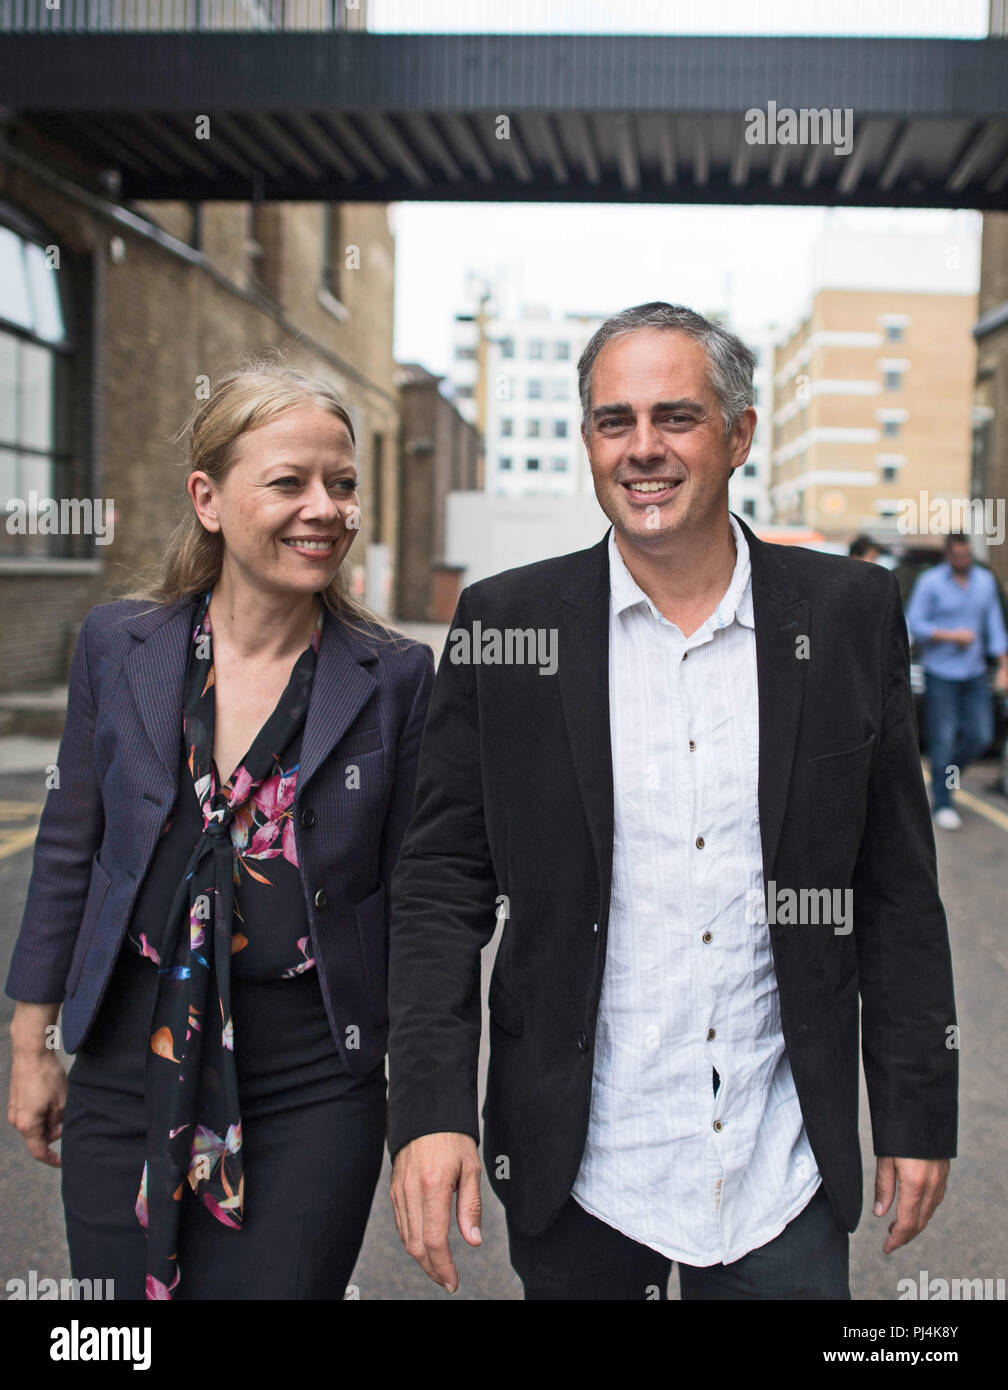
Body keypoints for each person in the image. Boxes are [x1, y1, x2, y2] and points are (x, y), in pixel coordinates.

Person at [386, 303, 957, 1301]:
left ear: (738, 434)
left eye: (676, 417)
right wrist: (432, 1108)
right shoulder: (506, 625)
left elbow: (896, 889)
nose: (642, 448)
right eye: (615, 421)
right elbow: (440, 883)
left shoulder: (848, 613)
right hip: (584, 1167)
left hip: (780, 1173)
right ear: (588, 441)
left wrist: (914, 1110)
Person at [6, 363, 434, 1300]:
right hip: (127, 1056)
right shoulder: (119, 645)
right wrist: (30, 1047)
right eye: (289, 482)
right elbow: (70, 851)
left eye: (344, 483)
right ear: (208, 497)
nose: (326, 508)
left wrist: (438, 1108)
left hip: (313, 1079)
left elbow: (418, 900)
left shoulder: (395, 677)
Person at [905, 533, 1008, 830]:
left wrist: (1003, 665)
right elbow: (914, 623)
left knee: (981, 736)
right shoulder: (931, 582)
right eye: (958, 556)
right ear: (948, 555)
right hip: (941, 673)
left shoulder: (984, 583)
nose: (963, 561)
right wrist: (950, 635)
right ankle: (943, 800)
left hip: (974, 673)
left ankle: (944, 780)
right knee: (944, 739)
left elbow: (995, 627)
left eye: (967, 555)